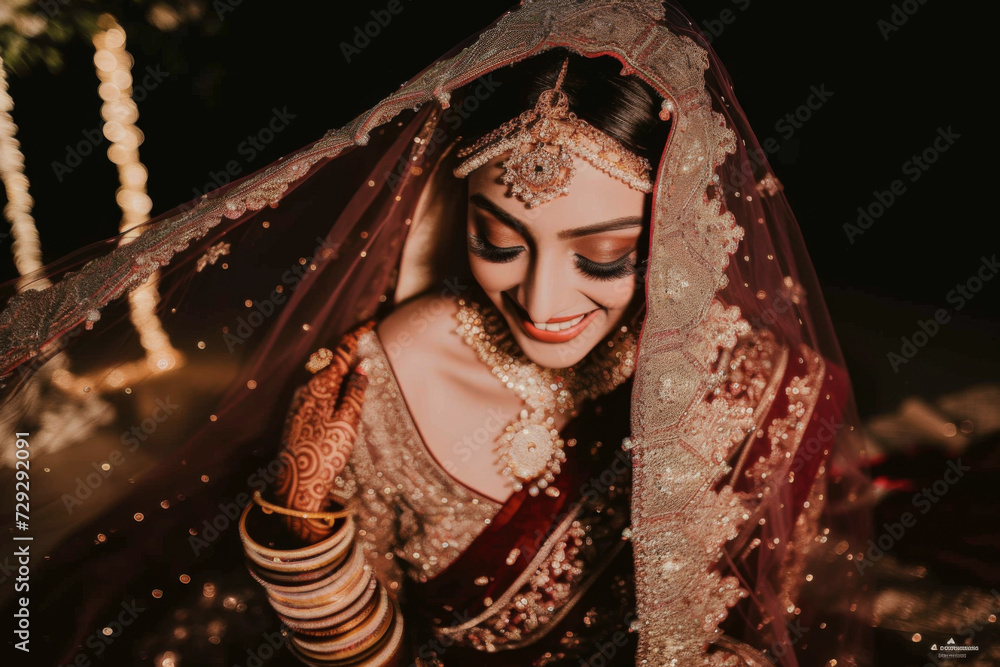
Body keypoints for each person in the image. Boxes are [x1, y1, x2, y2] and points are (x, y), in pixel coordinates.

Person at [0, 1, 874, 665]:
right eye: (498, 240)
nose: (541, 295)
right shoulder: (388, 373)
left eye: (604, 256)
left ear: (681, 232)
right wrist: (303, 515)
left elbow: (765, 618)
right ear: (455, 209)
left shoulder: (748, 379)